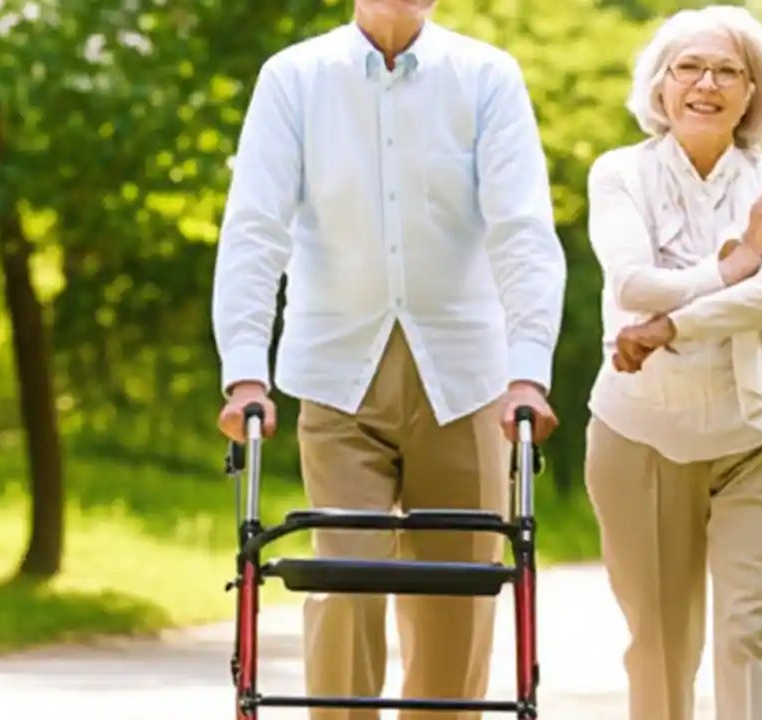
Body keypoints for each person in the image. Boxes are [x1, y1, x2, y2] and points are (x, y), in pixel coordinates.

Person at [210, 0, 566, 717]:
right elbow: (255, 228)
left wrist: (528, 372)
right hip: (338, 375)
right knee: (344, 585)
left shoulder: (486, 76)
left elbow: (522, 230)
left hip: (466, 380)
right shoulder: (295, 78)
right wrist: (245, 371)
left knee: (455, 610)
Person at [582, 6, 762, 719]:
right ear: (661, 84)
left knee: (753, 632)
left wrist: (671, 325)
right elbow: (631, 284)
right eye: (689, 67)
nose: (706, 84)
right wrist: (733, 267)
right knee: (660, 645)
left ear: (752, 93)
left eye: (727, 71)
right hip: (642, 432)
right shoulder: (620, 172)